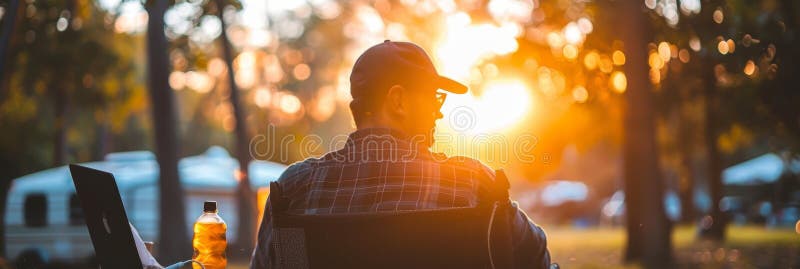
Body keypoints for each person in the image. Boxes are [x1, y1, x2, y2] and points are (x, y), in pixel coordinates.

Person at [250, 40, 550, 268]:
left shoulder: (295, 190)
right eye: (433, 98)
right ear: (398, 102)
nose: (439, 113)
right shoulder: (474, 184)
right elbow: (536, 257)